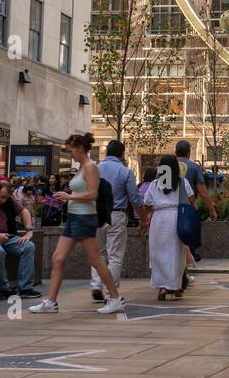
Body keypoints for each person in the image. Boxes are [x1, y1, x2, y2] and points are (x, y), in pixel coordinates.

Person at [30, 133, 127, 317]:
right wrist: (66, 197)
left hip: (84, 218)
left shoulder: (90, 167)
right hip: (75, 217)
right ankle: (51, 301)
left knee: (95, 260)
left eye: (70, 151)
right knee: (58, 258)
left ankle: (115, 298)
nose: (69, 154)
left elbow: (93, 194)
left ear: (80, 149)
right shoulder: (83, 167)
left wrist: (69, 196)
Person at [95, 139, 144, 303]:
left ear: (106, 152)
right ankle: (111, 293)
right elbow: (135, 199)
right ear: (122, 154)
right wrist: (143, 220)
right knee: (114, 256)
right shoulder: (125, 172)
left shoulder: (94, 169)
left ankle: (96, 285)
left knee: (99, 253)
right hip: (116, 215)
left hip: (95, 215)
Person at [0, 179, 40, 298]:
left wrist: (29, 231)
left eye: (6, 198)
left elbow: (25, 212)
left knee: (28, 246)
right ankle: (4, 288)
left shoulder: (9, 201)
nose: (4, 200)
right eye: (2, 197)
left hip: (7, 236)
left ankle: (25, 288)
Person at [145, 154, 188, 299]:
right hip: (177, 218)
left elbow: (147, 204)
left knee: (158, 254)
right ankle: (175, 287)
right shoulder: (182, 182)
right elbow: (191, 200)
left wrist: (143, 222)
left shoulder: (154, 184)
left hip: (158, 219)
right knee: (176, 253)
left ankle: (162, 287)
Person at [176, 139, 216, 287]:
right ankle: (183, 273)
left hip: (168, 209)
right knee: (187, 242)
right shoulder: (194, 167)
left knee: (173, 243)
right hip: (187, 209)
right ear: (189, 152)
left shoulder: (167, 166)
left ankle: (178, 275)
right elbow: (202, 191)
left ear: (175, 151)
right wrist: (211, 209)